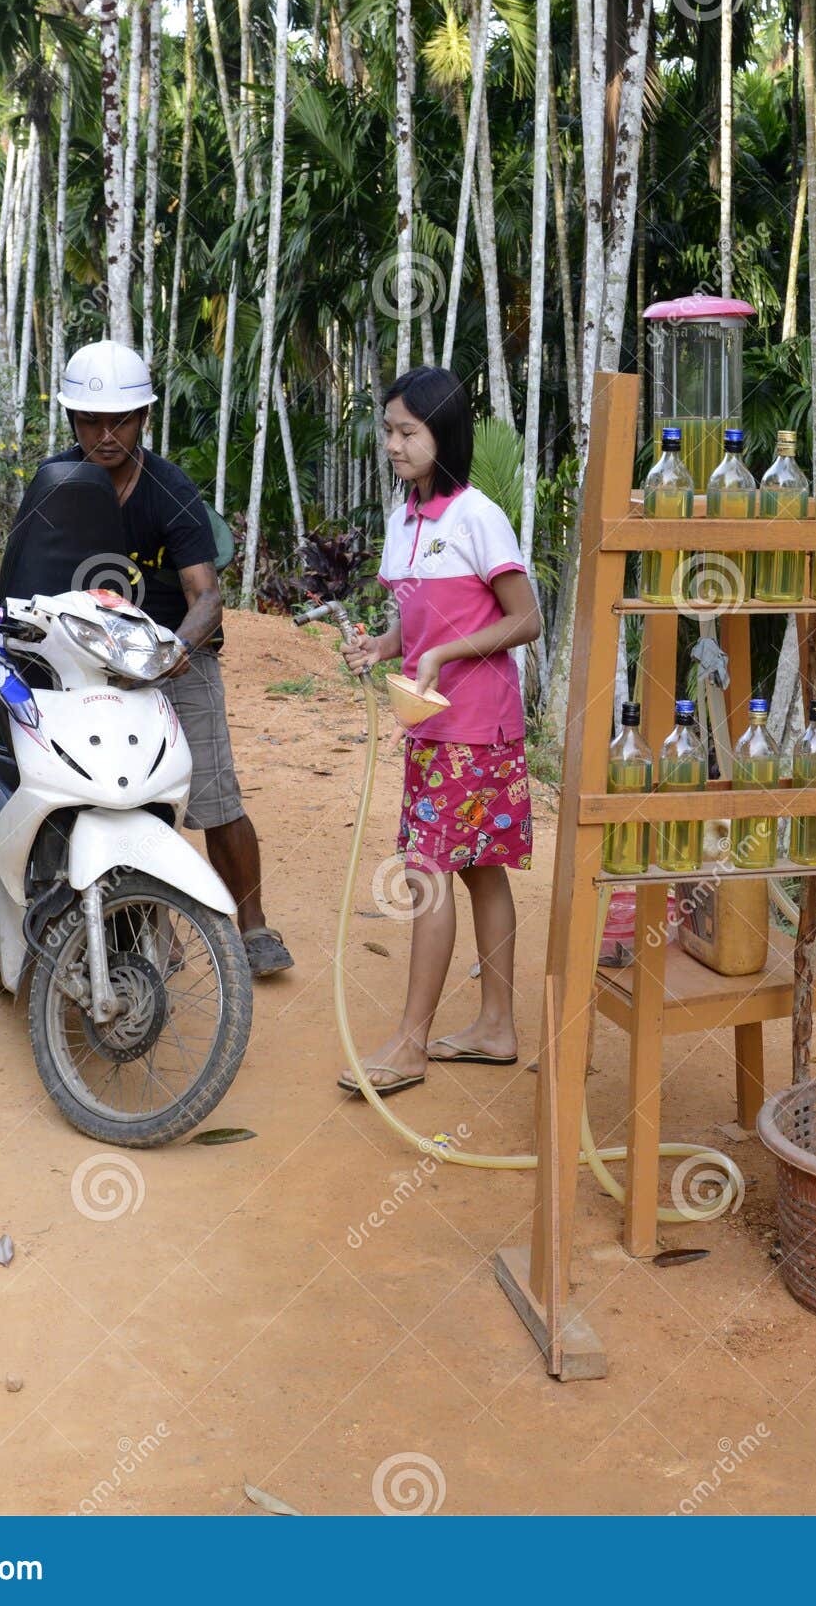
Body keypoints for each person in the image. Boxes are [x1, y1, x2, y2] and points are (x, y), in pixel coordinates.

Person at [50, 339, 293, 978]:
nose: (106, 434)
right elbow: (29, 579)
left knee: (213, 794)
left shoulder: (170, 490)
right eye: (91, 420)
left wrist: (178, 647)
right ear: (72, 420)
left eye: (120, 420)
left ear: (144, 420)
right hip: (89, 660)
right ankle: (144, 921)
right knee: (104, 794)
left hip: (172, 657)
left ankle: (254, 923)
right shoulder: (58, 484)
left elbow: (206, 594)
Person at [337, 366, 541, 1096]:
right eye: (388, 430)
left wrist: (447, 656)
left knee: (427, 873)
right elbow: (421, 618)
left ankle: (412, 1043)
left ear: (441, 434)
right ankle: (494, 1026)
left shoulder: (477, 516)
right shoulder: (405, 520)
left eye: (406, 432)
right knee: (479, 867)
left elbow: (527, 619)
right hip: (430, 724)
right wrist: (385, 647)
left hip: (475, 729)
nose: (391, 444)